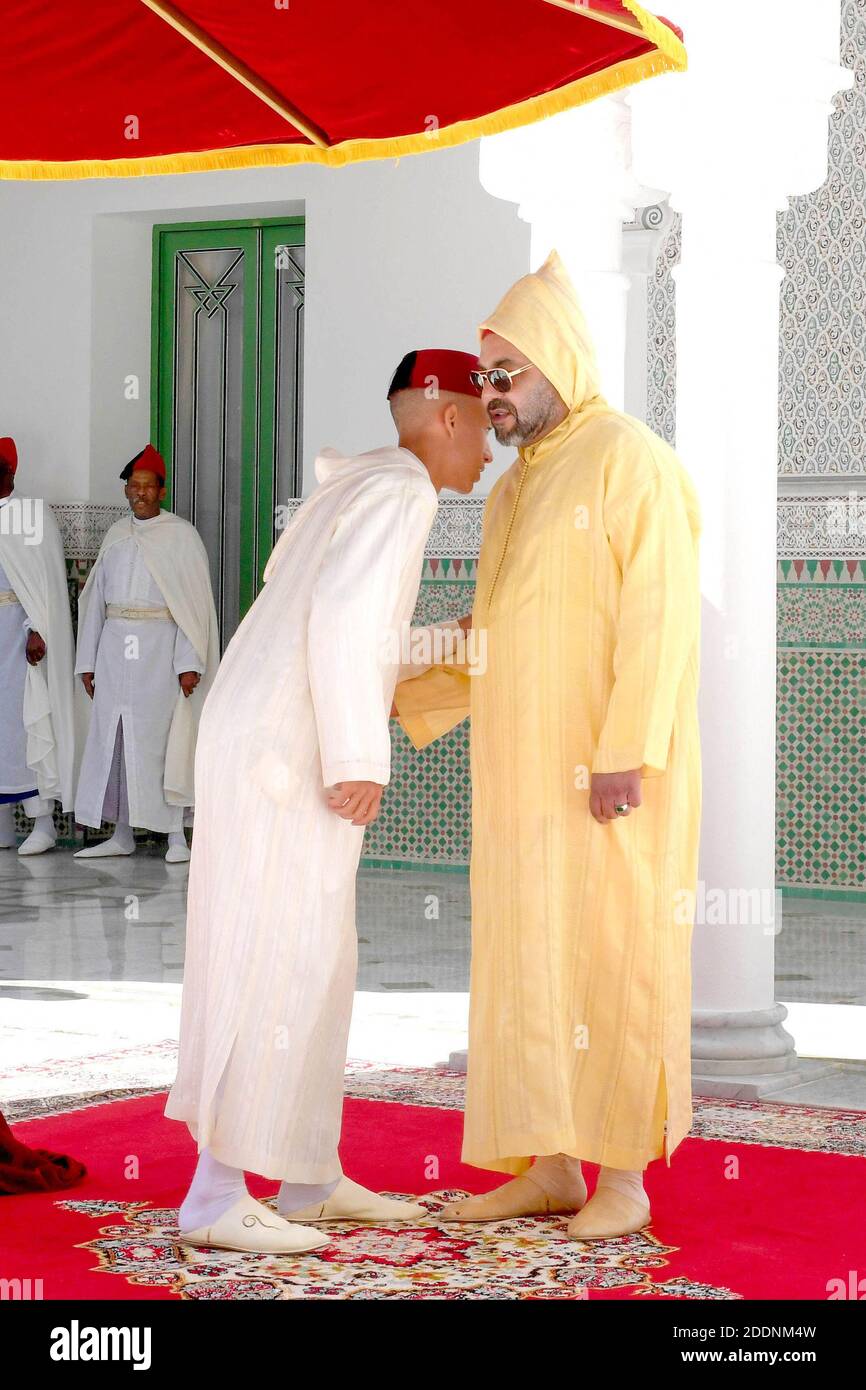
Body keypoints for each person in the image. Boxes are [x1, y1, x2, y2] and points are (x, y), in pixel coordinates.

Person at [394, 253, 702, 1241]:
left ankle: (622, 1177)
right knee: (527, 961)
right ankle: (551, 1162)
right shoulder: (510, 491)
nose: (490, 395)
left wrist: (623, 748)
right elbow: (493, 629)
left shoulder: (629, 458)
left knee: (614, 958)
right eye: (484, 377)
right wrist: (386, 682)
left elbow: (660, 622)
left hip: (607, 776)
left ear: (560, 364)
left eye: (507, 374)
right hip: (518, 781)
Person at [165, 350, 492, 1255]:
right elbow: (346, 628)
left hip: (268, 730)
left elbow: (354, 627)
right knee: (274, 951)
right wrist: (361, 754)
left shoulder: (370, 484)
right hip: (289, 744)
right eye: (484, 423)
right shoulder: (402, 492)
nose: (491, 454)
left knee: (318, 953)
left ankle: (308, 1173)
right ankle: (215, 1193)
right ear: (449, 415)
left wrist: (453, 641)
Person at [73, 446, 219, 863]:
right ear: (126, 491)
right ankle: (122, 834)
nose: (140, 494)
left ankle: (176, 835)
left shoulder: (181, 536)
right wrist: (87, 662)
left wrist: (189, 663)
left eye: (147, 487)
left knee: (161, 740)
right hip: (114, 652)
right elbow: (95, 600)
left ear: (162, 491)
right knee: (116, 739)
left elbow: (191, 607)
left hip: (160, 655)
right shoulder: (116, 535)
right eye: (133, 487)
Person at [0, 437, 77, 856]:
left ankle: (42, 821)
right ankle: (3, 829)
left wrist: (38, 629)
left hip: (17, 632)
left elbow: (45, 584)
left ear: (10, 472)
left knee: (25, 722)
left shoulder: (32, 513)